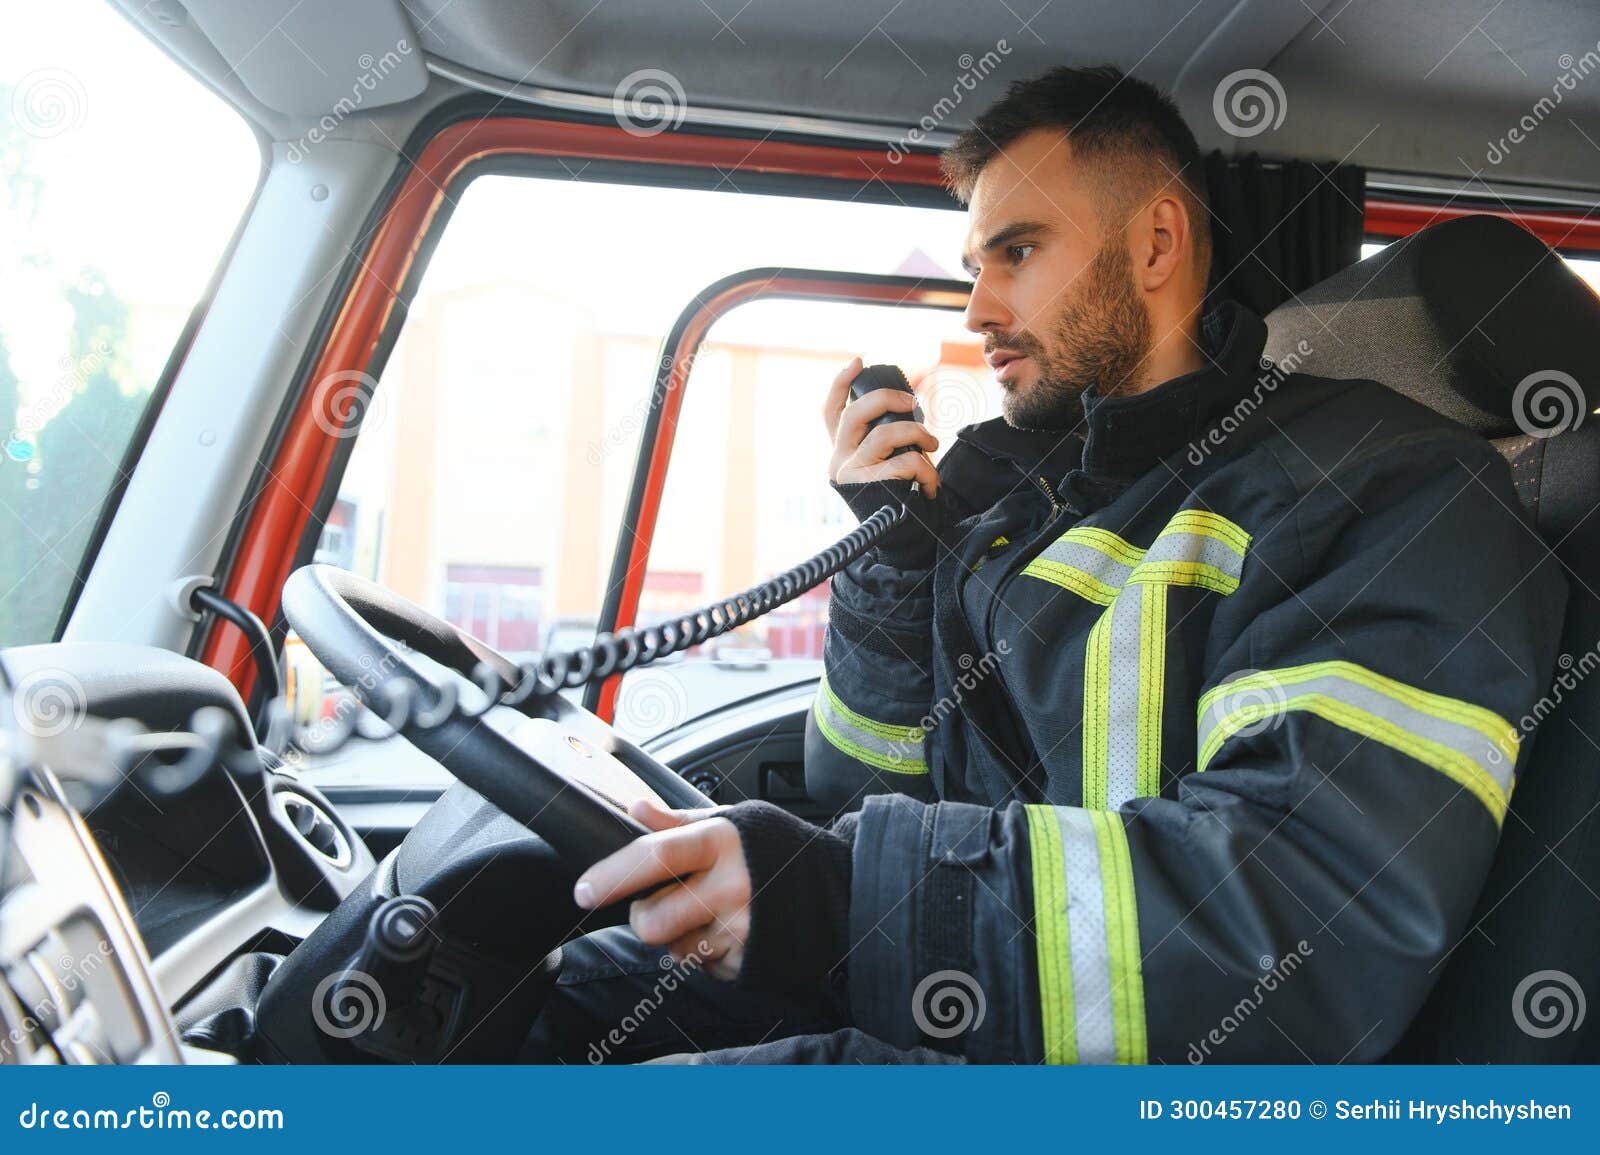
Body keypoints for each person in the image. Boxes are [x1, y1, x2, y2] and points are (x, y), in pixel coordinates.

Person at [529, 65, 1566, 1064]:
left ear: (1155, 242)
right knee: (559, 988)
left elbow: (1304, 922)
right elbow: (863, 784)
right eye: (975, 266)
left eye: (1016, 252)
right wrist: (894, 560)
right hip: (977, 1006)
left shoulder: (1384, 490)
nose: (977, 308)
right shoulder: (1024, 495)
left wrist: (855, 903)